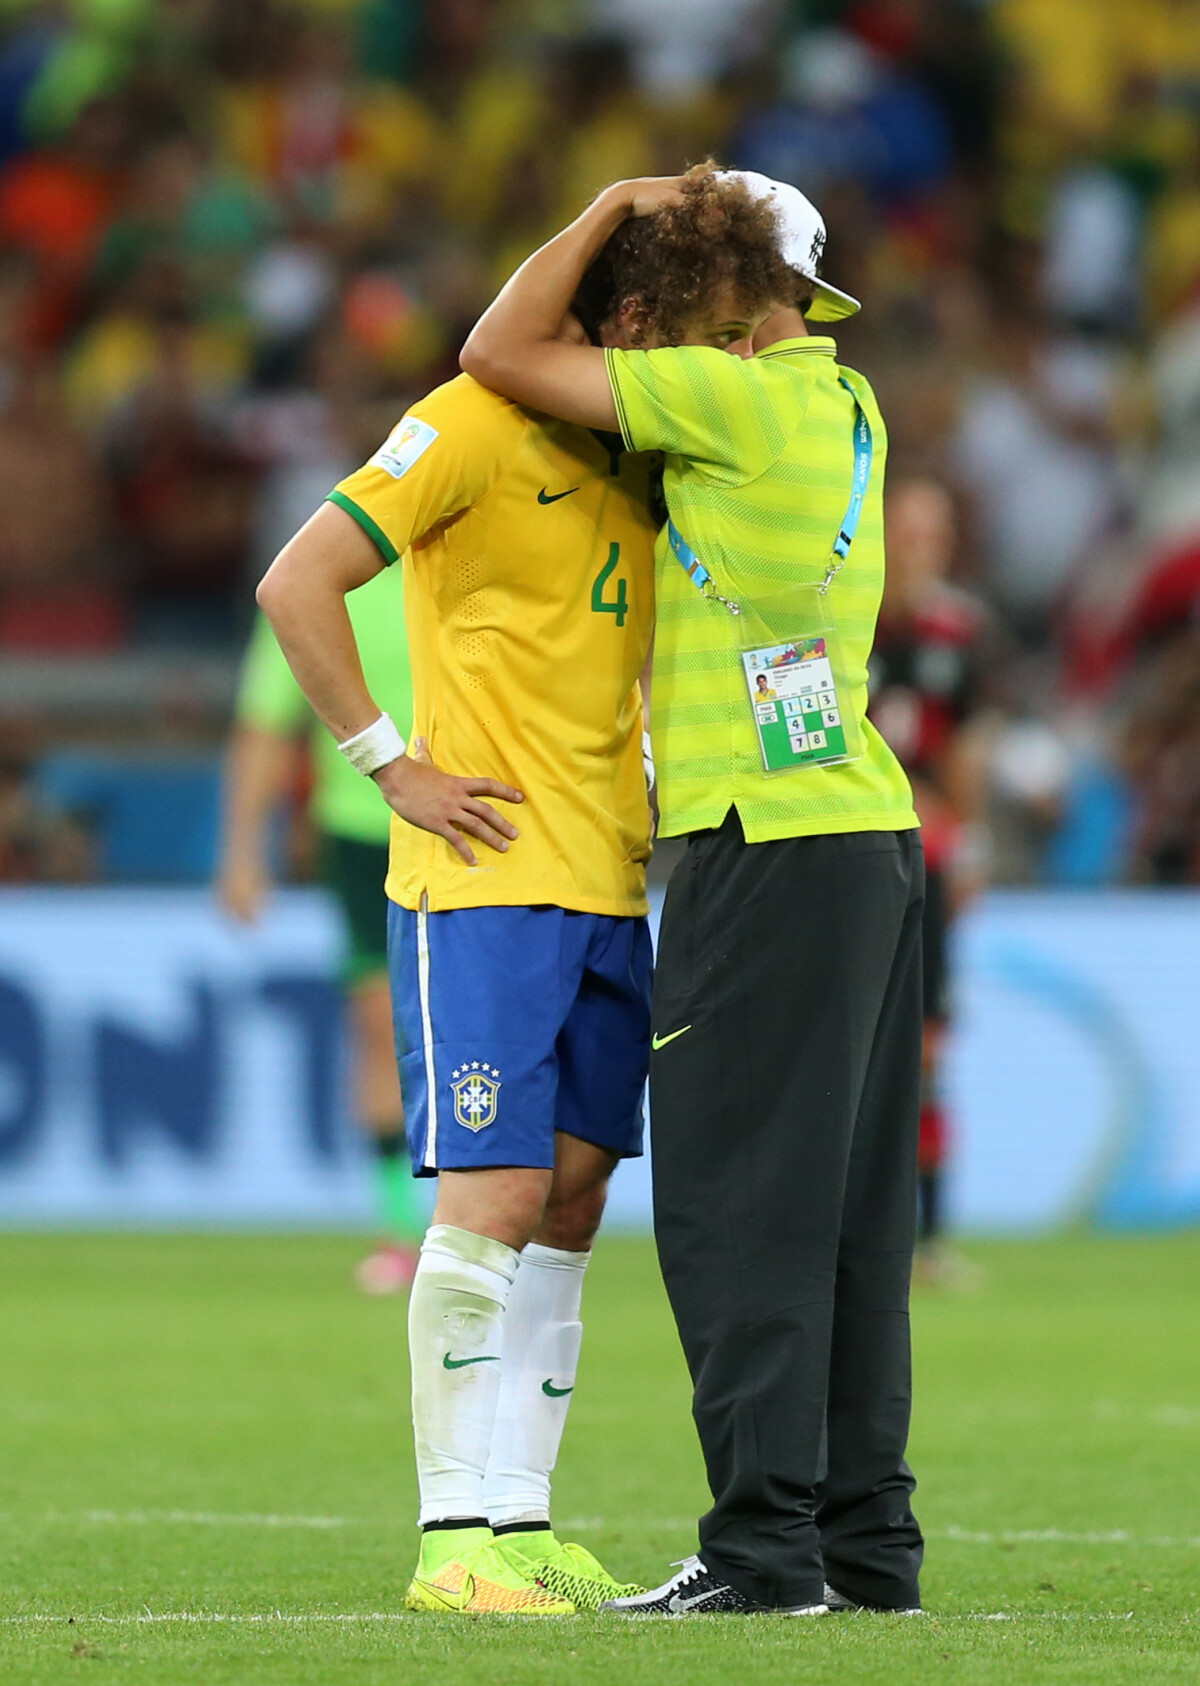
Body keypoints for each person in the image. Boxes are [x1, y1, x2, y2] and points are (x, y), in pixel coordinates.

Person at [255, 170, 794, 1617]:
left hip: (611, 877)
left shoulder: (645, 456)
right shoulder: (466, 424)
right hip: (484, 878)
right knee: (489, 1195)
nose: (711, 358)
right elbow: (295, 581)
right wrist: (389, 764)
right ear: (624, 317)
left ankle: (520, 1516)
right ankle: (448, 1543)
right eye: (693, 329)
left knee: (568, 1203)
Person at [462, 166, 926, 1616]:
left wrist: (602, 206)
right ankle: (864, 1548)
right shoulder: (845, 407)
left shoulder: (729, 398)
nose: (638, 339)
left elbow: (496, 351)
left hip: (760, 846)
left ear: (722, 309)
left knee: (735, 1212)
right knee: (851, 1221)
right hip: (866, 835)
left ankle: (762, 1554)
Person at [217, 589, 425, 1294]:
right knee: (380, 1028)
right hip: (364, 831)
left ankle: (500, 1226)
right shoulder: (323, 572)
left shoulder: (474, 546)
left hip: (468, 811)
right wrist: (243, 853)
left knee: (491, 1023)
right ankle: (401, 1231)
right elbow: (267, 724)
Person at [869, 477, 1000, 1282]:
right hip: (853, 848)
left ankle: (929, 1239)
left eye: (933, 528)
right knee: (850, 1043)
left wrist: (973, 838)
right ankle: (855, 1230)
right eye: (907, 527)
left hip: (930, 855)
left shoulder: (961, 632)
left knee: (924, 1045)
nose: (921, 543)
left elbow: (969, 748)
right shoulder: (845, 614)